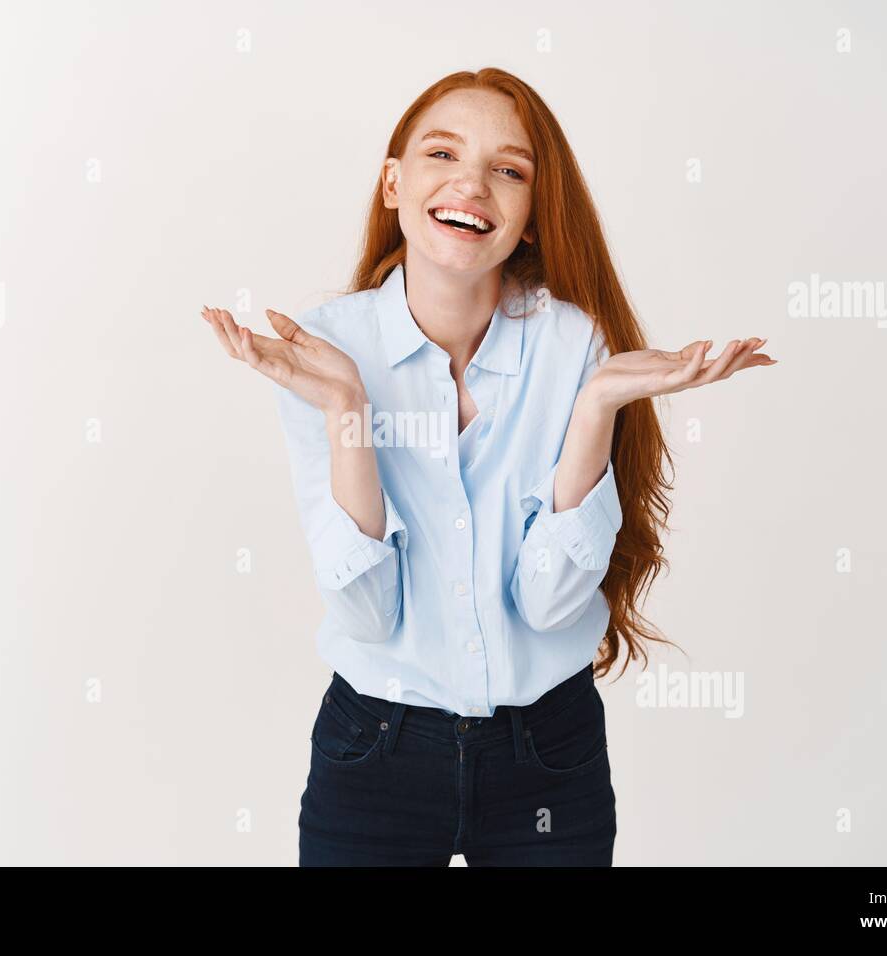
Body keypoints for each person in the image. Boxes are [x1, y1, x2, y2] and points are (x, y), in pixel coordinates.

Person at [201, 68, 774, 866]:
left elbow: (548, 607)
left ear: (533, 218)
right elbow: (368, 614)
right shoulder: (326, 351)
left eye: (509, 170)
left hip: (548, 751)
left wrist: (595, 406)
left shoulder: (573, 344)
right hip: (376, 753)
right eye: (441, 154)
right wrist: (347, 414)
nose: (472, 183)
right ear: (394, 184)